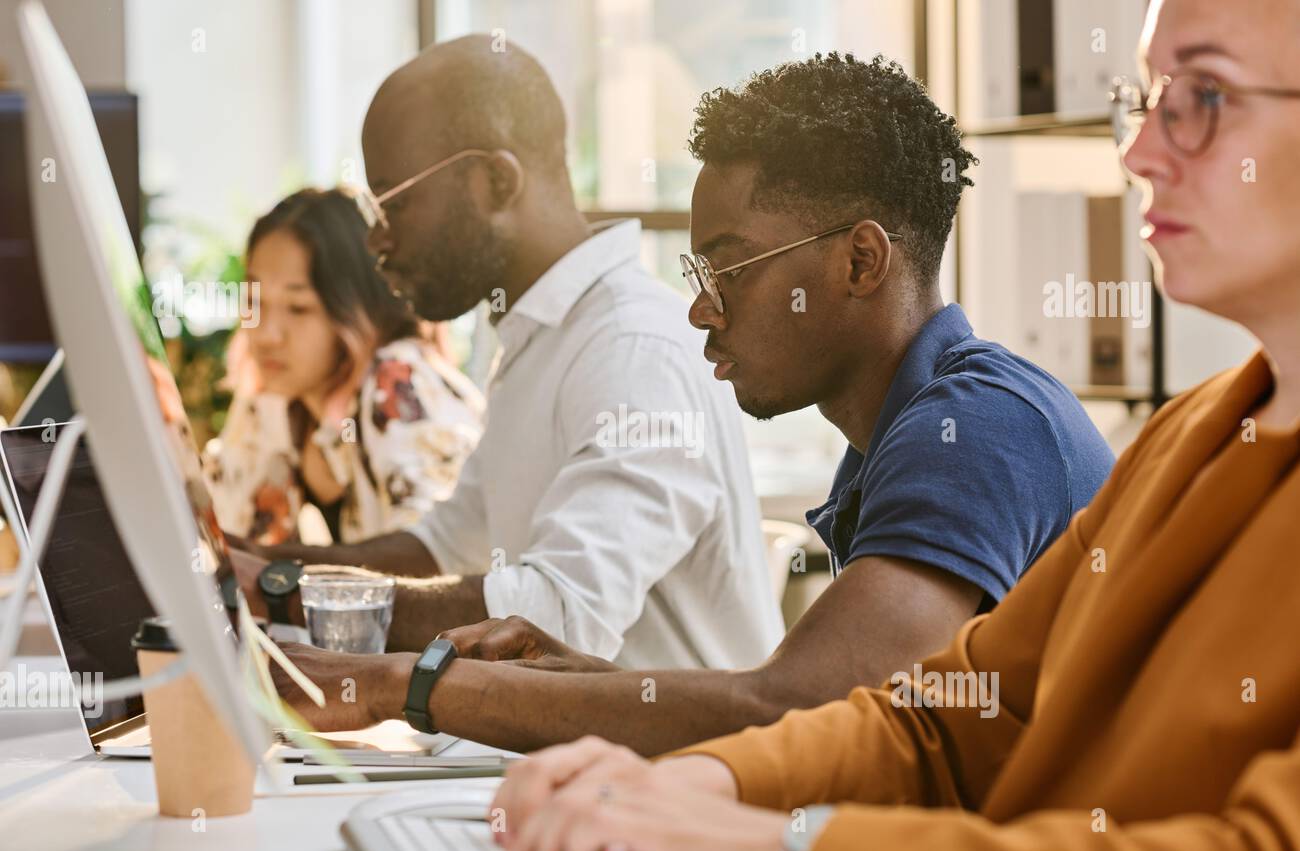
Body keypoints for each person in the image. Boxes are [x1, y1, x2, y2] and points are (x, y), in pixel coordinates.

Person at [482, 0, 1300, 851]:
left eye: (1204, 97)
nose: (1137, 153)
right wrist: (705, 784)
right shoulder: (1188, 440)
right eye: (1142, 102)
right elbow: (938, 725)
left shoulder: (980, 423)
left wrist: (785, 843)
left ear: (863, 262)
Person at [271, 53, 1115, 755]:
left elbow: (802, 711)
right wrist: (580, 678)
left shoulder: (979, 426)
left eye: (729, 268)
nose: (701, 310)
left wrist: (404, 685)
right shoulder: (908, 433)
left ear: (861, 263)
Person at [244, 37, 784, 671]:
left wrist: (274, 593)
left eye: (392, 202)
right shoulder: (539, 339)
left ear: (496, 181)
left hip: (678, 765)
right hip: (580, 759)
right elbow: (445, 548)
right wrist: (247, 564)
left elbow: (551, 618)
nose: (376, 240)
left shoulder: (632, 348)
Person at [205, 187, 483, 546]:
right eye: (256, 302)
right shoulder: (277, 402)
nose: (266, 335)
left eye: (298, 307)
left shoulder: (398, 382)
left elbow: (436, 562)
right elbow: (224, 542)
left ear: (354, 311)